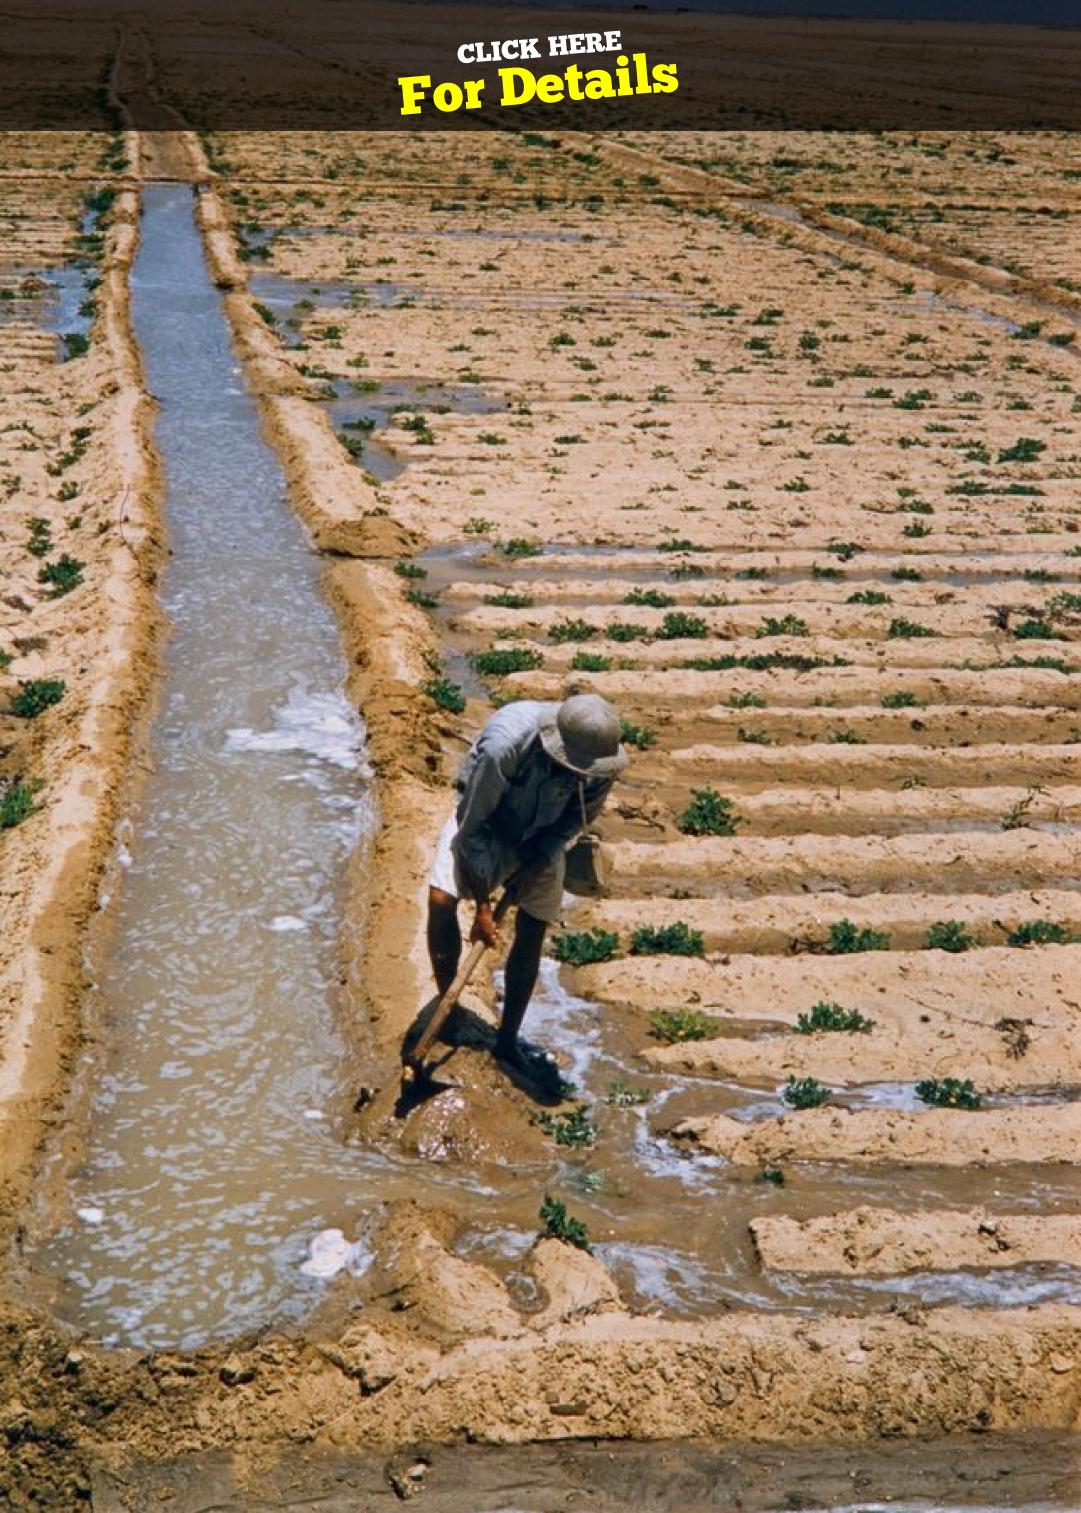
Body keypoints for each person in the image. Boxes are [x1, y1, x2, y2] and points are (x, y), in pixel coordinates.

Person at [426, 693, 627, 1074]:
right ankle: (447, 1009)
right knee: (440, 900)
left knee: (533, 926)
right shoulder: (505, 746)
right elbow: (469, 832)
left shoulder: (602, 762)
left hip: (540, 834)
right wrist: (483, 908)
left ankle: (507, 1042)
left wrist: (537, 860)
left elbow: (575, 821)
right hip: (485, 822)